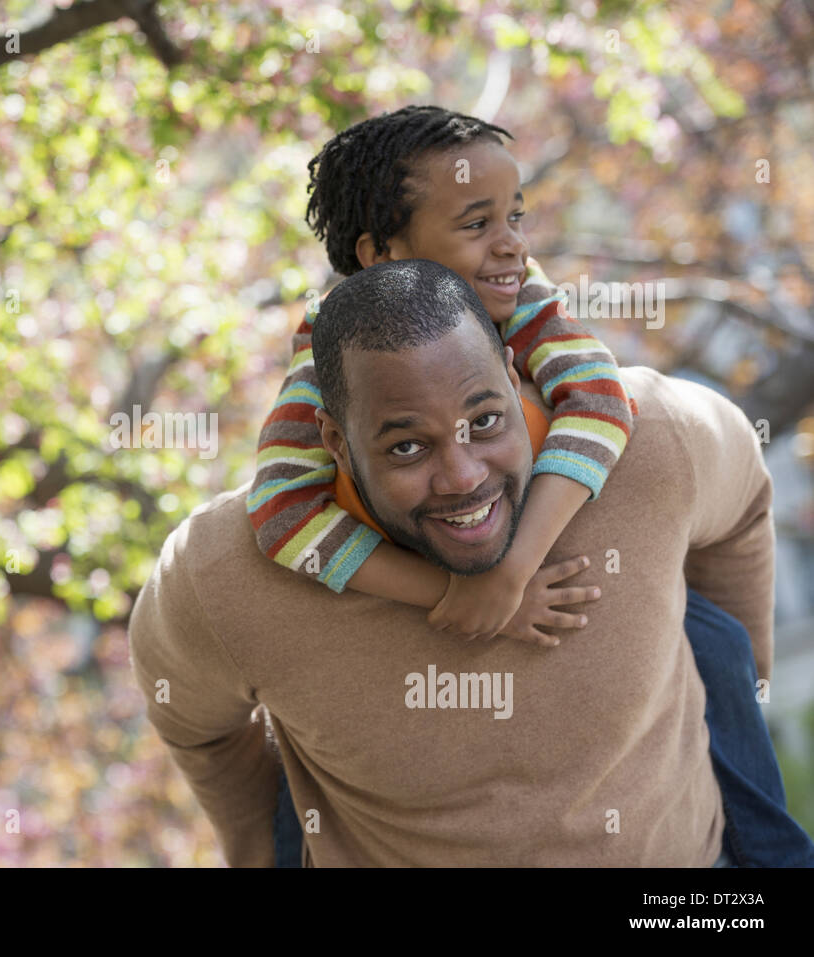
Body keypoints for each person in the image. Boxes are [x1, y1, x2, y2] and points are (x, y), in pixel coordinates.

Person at [244, 106, 812, 867]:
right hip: (408, 607)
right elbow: (281, 513)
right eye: (477, 224)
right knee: (305, 747)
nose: (512, 243)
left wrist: (512, 575)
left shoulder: (523, 295)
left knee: (709, 635)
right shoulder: (337, 354)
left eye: (515, 216)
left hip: (565, 591)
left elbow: (602, 400)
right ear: (379, 253)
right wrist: (447, 597)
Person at [128, 258, 811, 866]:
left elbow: (746, 500)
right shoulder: (223, 574)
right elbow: (194, 723)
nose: (461, 476)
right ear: (336, 441)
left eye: (484, 422)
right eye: (406, 448)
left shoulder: (653, 444)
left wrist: (736, 697)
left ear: (513, 379)